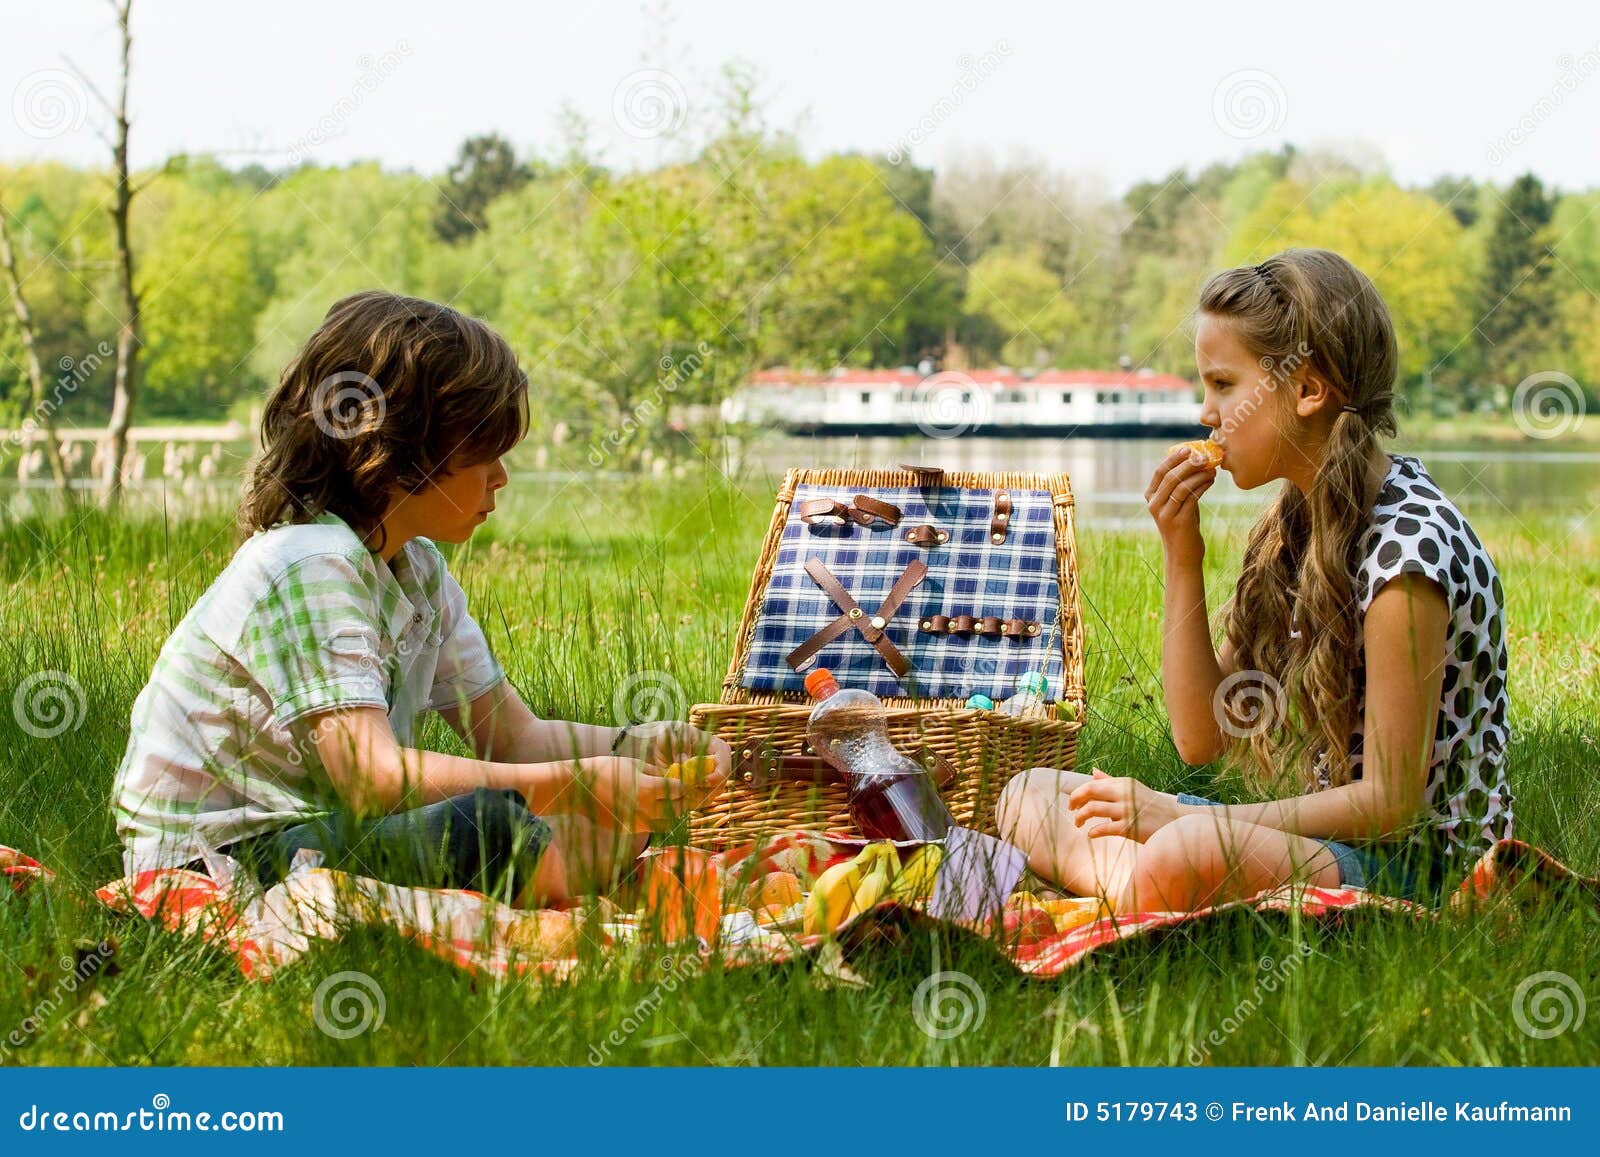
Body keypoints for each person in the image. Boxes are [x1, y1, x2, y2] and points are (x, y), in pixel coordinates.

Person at [111, 291, 728, 905]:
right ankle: (541, 880)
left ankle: (540, 877)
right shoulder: (307, 563)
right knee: (491, 827)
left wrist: (637, 746)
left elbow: (514, 737)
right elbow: (372, 778)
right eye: (484, 452)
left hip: (328, 833)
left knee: (584, 823)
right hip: (221, 858)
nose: (501, 477)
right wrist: (572, 786)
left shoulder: (418, 570)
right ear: (402, 451)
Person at [997, 249, 1511, 910]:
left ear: (1306, 389)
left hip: (1416, 867)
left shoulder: (1407, 553)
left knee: (1186, 849)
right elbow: (1200, 738)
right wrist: (1182, 555)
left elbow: (1391, 805)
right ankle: (1146, 885)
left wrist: (1181, 820)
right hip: (1312, 844)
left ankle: (1144, 881)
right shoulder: (1290, 523)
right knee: (1027, 794)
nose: (1205, 412)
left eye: (1223, 384)